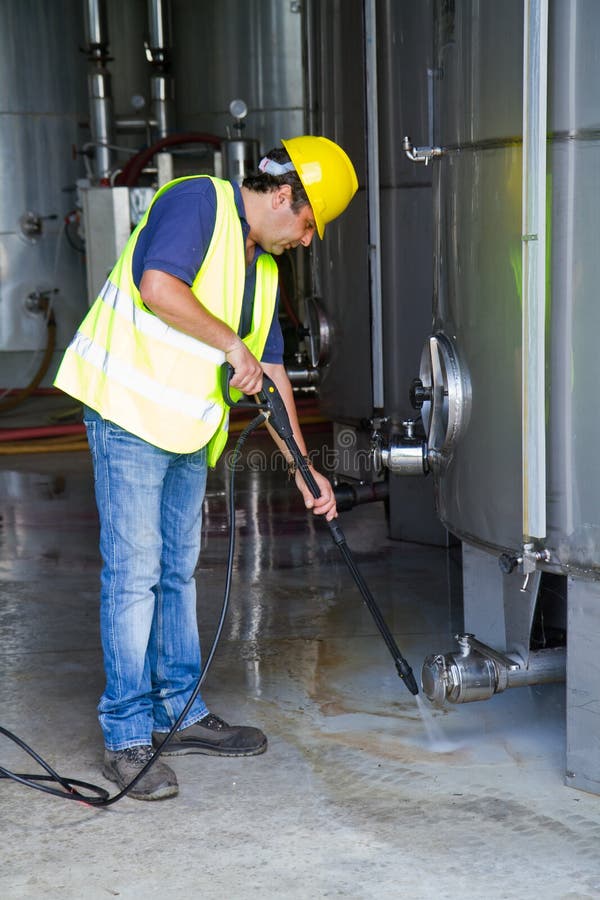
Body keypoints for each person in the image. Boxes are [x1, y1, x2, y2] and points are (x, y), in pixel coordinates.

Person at [54, 135, 358, 801]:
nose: (307, 241)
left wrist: (306, 469)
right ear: (284, 195)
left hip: (189, 432)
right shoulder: (199, 202)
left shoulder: (269, 275)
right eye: (309, 224)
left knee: (176, 572)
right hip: (129, 415)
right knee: (134, 575)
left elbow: (270, 373)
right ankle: (126, 735)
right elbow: (156, 284)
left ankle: (178, 712)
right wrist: (228, 344)